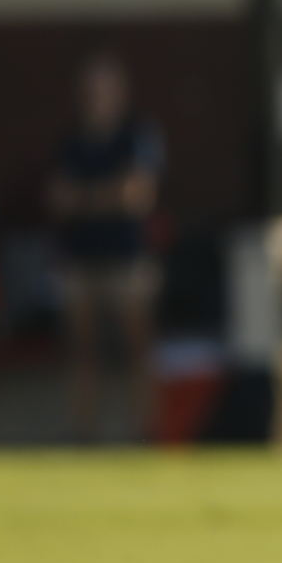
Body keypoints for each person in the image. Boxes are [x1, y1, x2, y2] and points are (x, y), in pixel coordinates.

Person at [49, 53, 163, 443]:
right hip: (82, 260)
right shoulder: (72, 141)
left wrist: (87, 199)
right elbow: (59, 200)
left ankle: (143, 433)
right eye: (91, 87)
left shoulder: (137, 135)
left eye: (105, 86)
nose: (97, 95)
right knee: (83, 352)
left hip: (127, 260)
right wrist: (107, 195)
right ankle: (84, 435)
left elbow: (136, 195)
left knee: (137, 351)